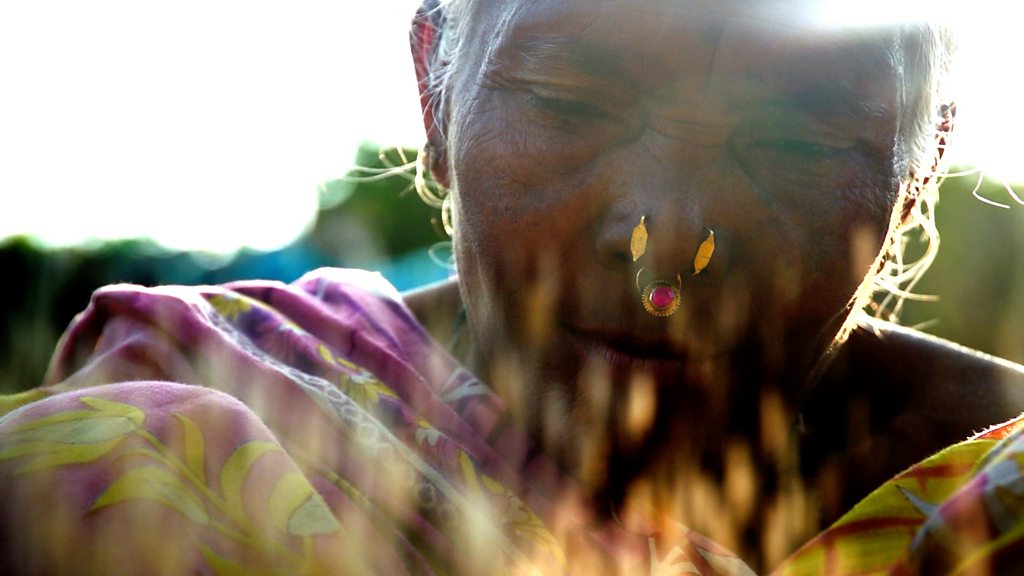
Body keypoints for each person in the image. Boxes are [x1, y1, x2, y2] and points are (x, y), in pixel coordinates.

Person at [2, 0, 1023, 574]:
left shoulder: (996, 494)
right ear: (433, 92)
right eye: (567, 99)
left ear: (921, 162)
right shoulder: (206, 425)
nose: (664, 237)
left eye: (801, 138)